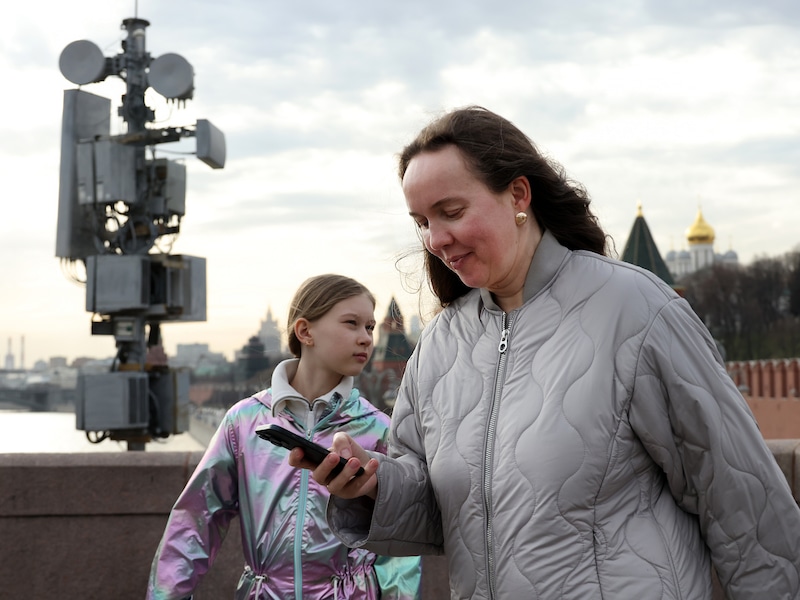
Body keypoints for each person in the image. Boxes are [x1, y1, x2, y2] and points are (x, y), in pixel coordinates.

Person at [291, 107, 800, 599]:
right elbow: (447, 511)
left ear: (518, 194)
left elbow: (746, 506)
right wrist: (372, 486)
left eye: (451, 212)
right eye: (422, 221)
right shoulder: (440, 345)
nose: (435, 240)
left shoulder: (636, 310)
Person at [146, 274, 422, 600]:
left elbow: (398, 548)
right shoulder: (245, 421)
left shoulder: (377, 429)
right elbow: (195, 521)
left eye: (370, 327)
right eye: (352, 323)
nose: (366, 338)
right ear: (305, 331)